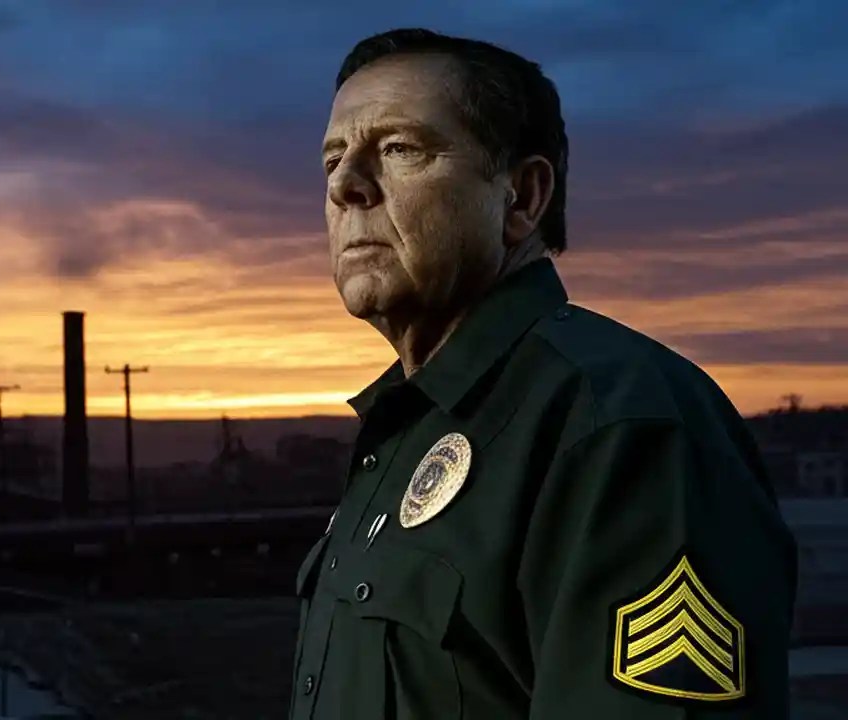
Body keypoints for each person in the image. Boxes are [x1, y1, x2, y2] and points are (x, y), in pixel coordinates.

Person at [290, 27, 797, 719]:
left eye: (401, 149)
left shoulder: (617, 421)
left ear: (522, 198)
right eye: (332, 160)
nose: (347, 186)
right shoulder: (406, 429)